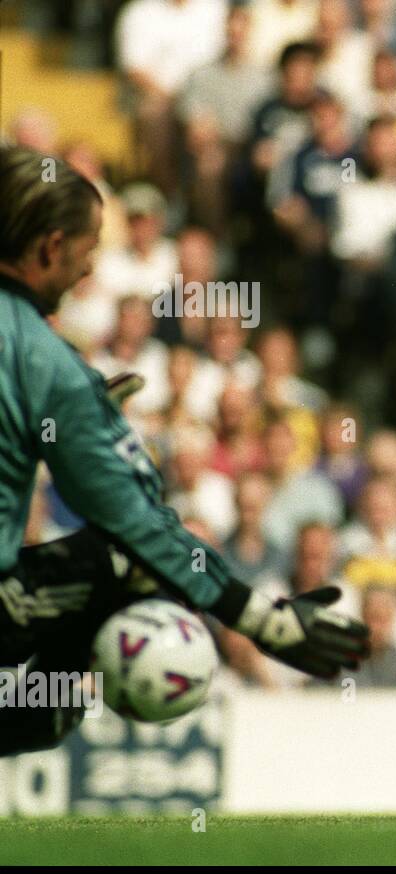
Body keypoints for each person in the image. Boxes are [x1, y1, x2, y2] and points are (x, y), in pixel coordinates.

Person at [0, 147, 369, 756]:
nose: (87, 271)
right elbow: (134, 520)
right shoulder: (47, 363)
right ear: (49, 248)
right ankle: (37, 719)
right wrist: (260, 618)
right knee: (132, 562)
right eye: (87, 252)